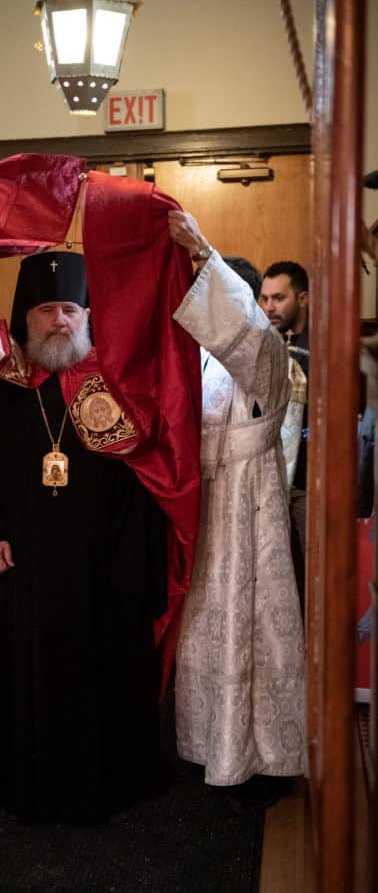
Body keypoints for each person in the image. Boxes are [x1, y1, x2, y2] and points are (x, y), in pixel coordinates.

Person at [0, 251, 171, 824]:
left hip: (101, 571)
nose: (59, 321)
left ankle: (114, 781)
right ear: (25, 320)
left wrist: (130, 564)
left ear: (88, 315)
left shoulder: (115, 388)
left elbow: (143, 482)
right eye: (47, 310)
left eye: (70, 309)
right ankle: (23, 781)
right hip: (24, 571)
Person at [169, 214, 306, 810]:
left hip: (251, 512)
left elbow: (253, 344)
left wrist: (203, 254)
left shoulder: (268, 355)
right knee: (204, 633)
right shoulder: (198, 363)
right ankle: (205, 746)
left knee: (255, 631)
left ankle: (264, 756)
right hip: (206, 509)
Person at [259, 261, 310, 604]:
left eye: (278, 298)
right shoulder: (259, 345)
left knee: (310, 572)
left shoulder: (327, 345)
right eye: (263, 299)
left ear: (303, 298)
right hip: (265, 483)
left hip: (309, 483)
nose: (269, 308)